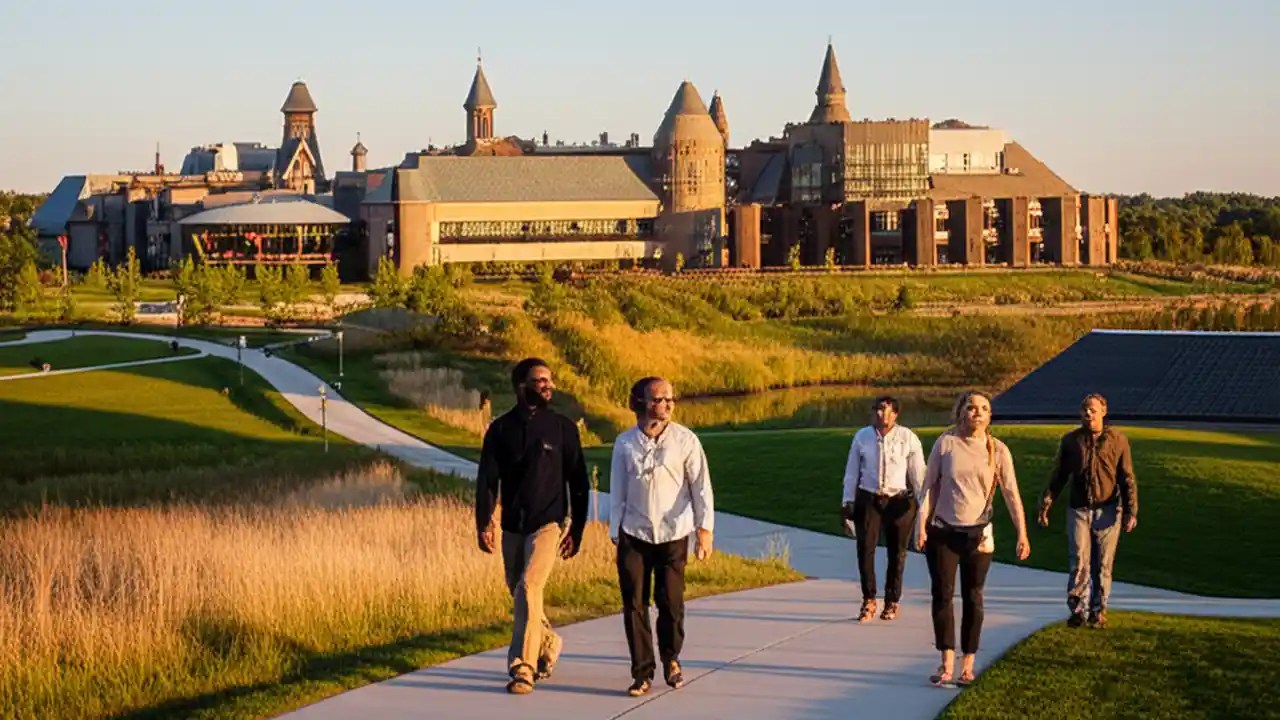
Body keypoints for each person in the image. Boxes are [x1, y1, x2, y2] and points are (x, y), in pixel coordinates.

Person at [475, 358, 590, 695]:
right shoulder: (500, 430)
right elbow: (487, 481)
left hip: (549, 523)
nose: (547, 386)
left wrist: (577, 529)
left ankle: (522, 666)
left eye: (549, 381)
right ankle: (548, 640)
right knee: (519, 590)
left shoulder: (563, 428)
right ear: (521, 386)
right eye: (540, 380)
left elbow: (578, 481)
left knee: (528, 585)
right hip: (513, 523)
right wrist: (484, 522)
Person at [917, 390, 1031, 687]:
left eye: (983, 408)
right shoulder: (946, 444)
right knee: (942, 595)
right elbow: (928, 487)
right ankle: (945, 664)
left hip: (979, 535)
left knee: (973, 597)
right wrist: (920, 525)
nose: (977, 412)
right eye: (971, 407)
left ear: (989, 416)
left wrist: (1022, 532)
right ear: (960, 412)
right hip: (942, 531)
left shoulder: (998, 450)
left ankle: (967, 666)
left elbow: (1011, 493)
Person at [609, 377, 715, 697]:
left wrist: (704, 530)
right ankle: (642, 672)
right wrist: (615, 531)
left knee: (670, 602)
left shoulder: (685, 440)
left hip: (673, 533)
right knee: (634, 604)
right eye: (659, 399)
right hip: (634, 534)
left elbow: (701, 486)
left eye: (670, 399)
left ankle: (671, 658)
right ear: (640, 402)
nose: (667, 405)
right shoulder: (625, 443)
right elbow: (618, 491)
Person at [1037, 393, 1138, 630]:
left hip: (1109, 510)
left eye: (1092, 409)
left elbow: (1127, 477)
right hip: (1079, 509)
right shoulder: (1071, 441)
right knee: (1079, 560)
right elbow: (1060, 475)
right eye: (1084, 409)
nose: (1088, 413)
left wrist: (1131, 511)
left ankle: (1098, 609)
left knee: (1103, 563)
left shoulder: (1118, 440)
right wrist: (1047, 502)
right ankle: (1078, 609)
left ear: (1104, 411)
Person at [840, 395, 926, 622]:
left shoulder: (907, 438)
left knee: (897, 553)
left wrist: (924, 510)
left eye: (886, 410)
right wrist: (847, 502)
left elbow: (919, 477)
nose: (881, 414)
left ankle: (892, 600)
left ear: (896, 414)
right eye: (877, 410)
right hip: (869, 498)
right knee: (865, 549)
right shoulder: (863, 437)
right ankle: (869, 599)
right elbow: (851, 472)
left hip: (899, 501)